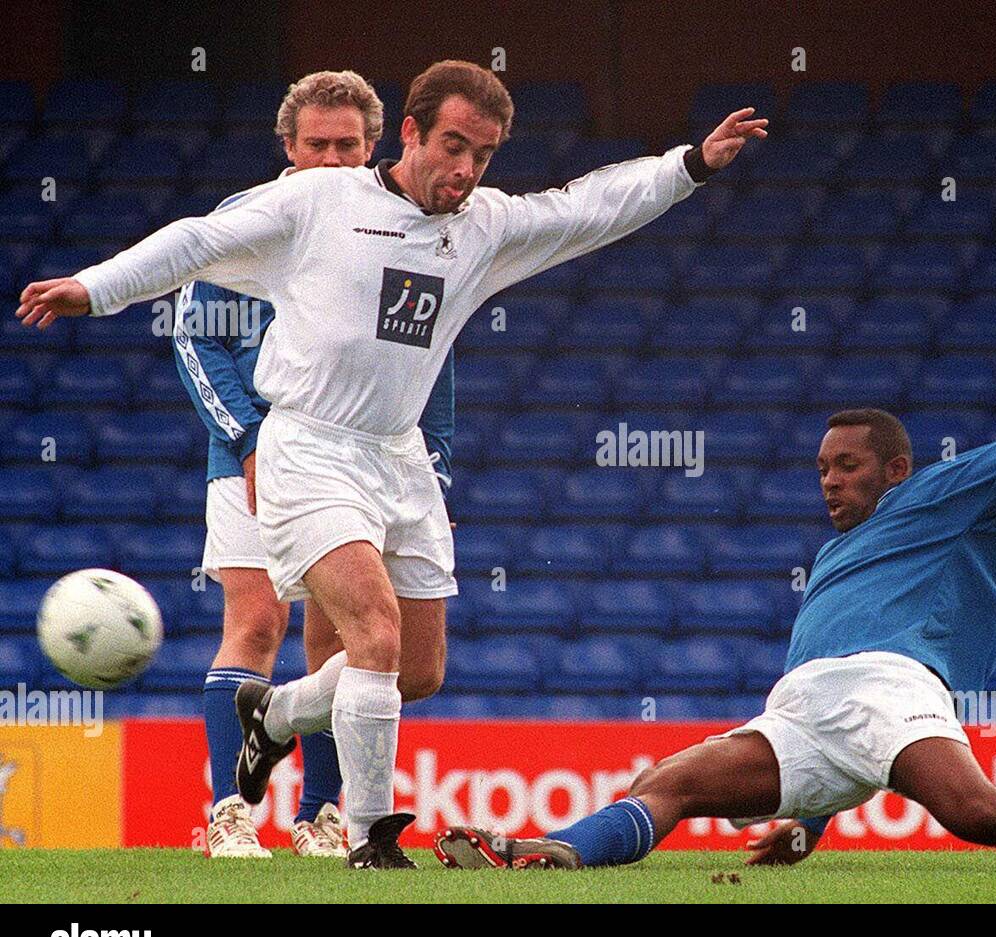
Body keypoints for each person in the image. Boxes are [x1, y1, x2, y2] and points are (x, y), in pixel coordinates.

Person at [16, 59, 767, 869]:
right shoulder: (320, 200)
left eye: (483, 154)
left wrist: (687, 167)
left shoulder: (483, 226)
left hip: (397, 455)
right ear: (409, 133)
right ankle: (369, 834)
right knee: (370, 631)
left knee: (417, 668)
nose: (466, 169)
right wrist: (95, 287)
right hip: (306, 443)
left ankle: (271, 717)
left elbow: (584, 208)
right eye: (452, 146)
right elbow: (198, 239)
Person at [432, 335, 996, 873]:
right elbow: (838, 738)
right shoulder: (839, 554)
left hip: (892, 689)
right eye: (822, 469)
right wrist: (809, 822)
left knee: (979, 812)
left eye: (847, 466)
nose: (830, 481)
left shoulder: (939, 496)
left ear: (896, 469)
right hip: (801, 707)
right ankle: (553, 853)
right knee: (669, 779)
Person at [175, 70, 455, 858]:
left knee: (345, 641)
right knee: (257, 619)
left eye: (348, 145)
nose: (332, 158)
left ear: (374, 145)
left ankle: (324, 814)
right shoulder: (248, 219)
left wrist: (434, 470)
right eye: (316, 145)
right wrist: (247, 440)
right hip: (251, 447)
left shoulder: (407, 223)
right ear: (288, 149)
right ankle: (229, 811)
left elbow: (426, 359)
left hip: (364, 457)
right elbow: (197, 339)